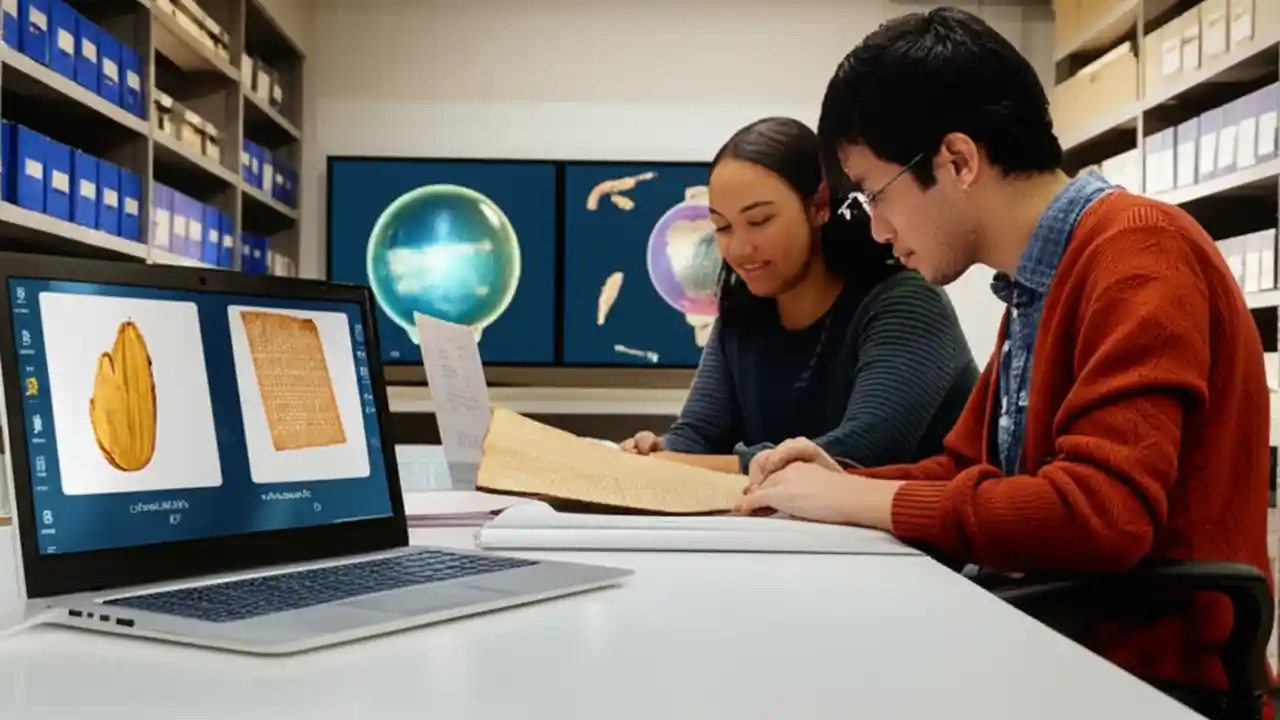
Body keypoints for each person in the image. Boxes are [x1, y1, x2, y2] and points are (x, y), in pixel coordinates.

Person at [737, 8, 1273, 716]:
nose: (877, 228)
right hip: (1055, 645)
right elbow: (967, 469)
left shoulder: (1140, 253)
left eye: (875, 194)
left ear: (958, 161)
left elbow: (1102, 515)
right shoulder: (1036, 284)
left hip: (1145, 684)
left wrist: (861, 502)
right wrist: (842, 481)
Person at [620, 116, 978, 474]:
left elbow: (858, 453)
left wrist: (676, 464)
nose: (739, 248)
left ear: (819, 204)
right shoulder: (742, 313)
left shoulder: (906, 303)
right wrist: (658, 451)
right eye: (722, 226)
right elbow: (698, 436)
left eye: (759, 221)